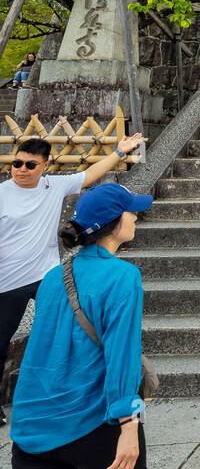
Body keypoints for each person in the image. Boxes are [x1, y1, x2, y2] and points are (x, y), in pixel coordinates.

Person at [4, 181, 163, 469]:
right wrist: (128, 425)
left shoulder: (51, 279)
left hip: (34, 421)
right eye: (131, 210)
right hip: (95, 420)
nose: (136, 215)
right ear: (114, 222)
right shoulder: (123, 277)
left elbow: (44, 347)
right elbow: (122, 354)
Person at [0, 131, 145, 428]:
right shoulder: (2, 193)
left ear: (45, 166)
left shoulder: (54, 186)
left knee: (68, 330)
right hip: (7, 281)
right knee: (1, 342)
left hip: (47, 277)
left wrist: (119, 152)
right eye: (16, 163)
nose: (21, 170)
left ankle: (69, 392)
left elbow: (89, 174)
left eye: (29, 165)